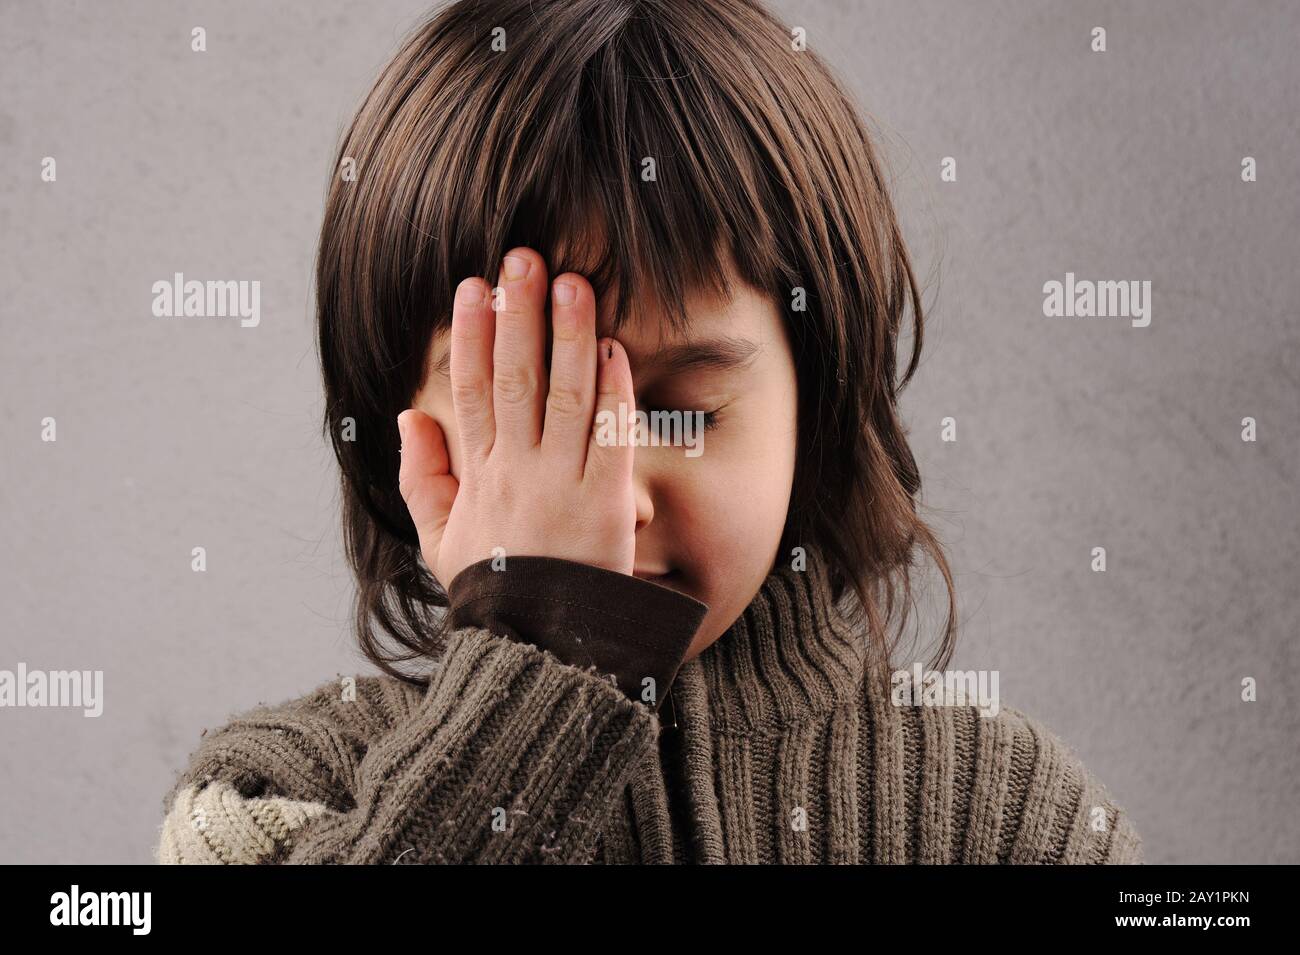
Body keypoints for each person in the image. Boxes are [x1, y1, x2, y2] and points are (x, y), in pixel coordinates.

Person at [155, 0, 1143, 864]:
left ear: (822, 398)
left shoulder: (1009, 815)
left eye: (680, 411)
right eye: (528, 408)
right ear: (393, 439)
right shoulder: (279, 790)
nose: (607, 498)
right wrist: (538, 644)